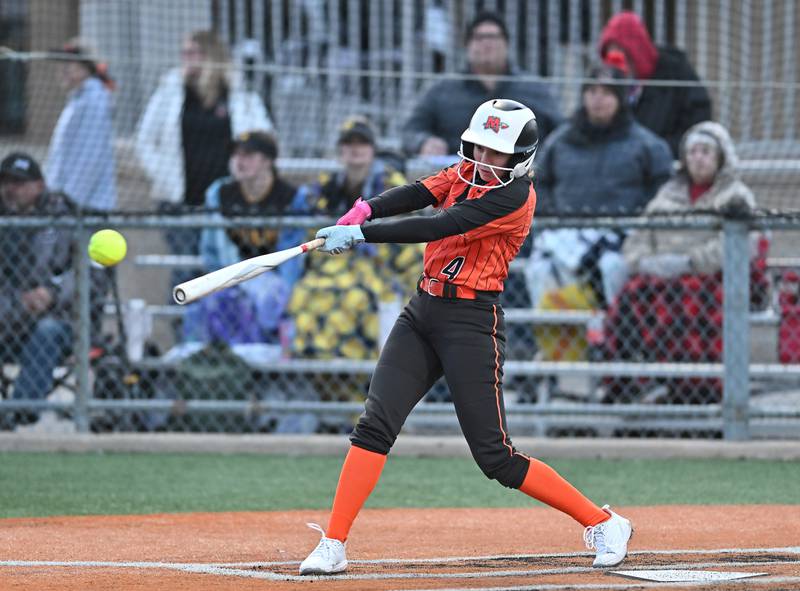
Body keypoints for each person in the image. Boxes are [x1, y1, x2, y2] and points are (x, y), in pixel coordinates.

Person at [298, 99, 633, 575]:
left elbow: (442, 223)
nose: (484, 159)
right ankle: (333, 542)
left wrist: (364, 235)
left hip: (471, 322)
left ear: (520, 159)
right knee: (374, 425)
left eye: (496, 153)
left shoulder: (514, 198)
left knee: (496, 457)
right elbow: (420, 191)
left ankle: (603, 522)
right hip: (423, 311)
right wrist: (364, 208)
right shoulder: (463, 173)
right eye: (479, 148)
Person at [600, 121, 767, 404]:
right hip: (660, 276)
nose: (698, 158)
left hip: (709, 278)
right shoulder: (667, 195)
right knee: (629, 299)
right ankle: (629, 384)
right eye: (692, 152)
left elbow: (740, 245)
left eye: (705, 152)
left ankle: (695, 388)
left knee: (686, 302)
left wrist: (689, 263)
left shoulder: (735, 196)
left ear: (720, 158)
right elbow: (637, 240)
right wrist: (650, 264)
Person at [526, 59, 672, 321]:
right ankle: (557, 351)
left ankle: (613, 343)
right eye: (592, 91)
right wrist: (551, 210)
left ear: (620, 99)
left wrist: (638, 215)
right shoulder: (560, 141)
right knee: (540, 269)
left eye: (606, 92)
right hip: (564, 234)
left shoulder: (646, 145)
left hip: (621, 236)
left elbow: (662, 187)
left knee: (611, 266)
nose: (598, 99)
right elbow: (539, 180)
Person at [135, 30, 273, 288]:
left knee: (226, 271)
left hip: (228, 204)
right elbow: (144, 140)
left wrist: (249, 177)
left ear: (212, 55)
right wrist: (162, 176)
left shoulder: (238, 95)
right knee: (185, 273)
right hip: (180, 203)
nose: (186, 58)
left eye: (193, 52)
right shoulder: (171, 91)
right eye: (184, 53)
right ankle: (184, 327)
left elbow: (265, 138)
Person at [288, 115, 422, 361]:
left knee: (355, 295)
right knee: (305, 292)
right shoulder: (325, 188)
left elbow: (407, 237)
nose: (355, 149)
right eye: (349, 143)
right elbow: (311, 229)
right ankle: (315, 363)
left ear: (372, 149)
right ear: (340, 149)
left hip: (378, 267)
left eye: (362, 143)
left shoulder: (391, 184)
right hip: (332, 264)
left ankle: (353, 367)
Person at [0, 153, 108, 428]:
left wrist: (51, 293)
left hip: (64, 322)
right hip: (10, 317)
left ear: (39, 185)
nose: (10, 189)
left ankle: (18, 411)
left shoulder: (68, 218)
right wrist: (18, 303)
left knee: (46, 330)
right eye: (6, 182)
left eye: (19, 183)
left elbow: (91, 272)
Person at [182, 131, 311, 346]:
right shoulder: (220, 193)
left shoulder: (290, 198)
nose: (239, 161)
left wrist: (281, 291)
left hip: (273, 278)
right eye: (236, 154)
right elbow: (210, 250)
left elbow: (292, 260)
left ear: (268, 161)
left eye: (248, 155)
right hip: (230, 275)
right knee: (207, 304)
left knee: (268, 300)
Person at [401, 11, 562, 157]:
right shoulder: (442, 89)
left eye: (493, 37)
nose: (486, 44)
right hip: (457, 179)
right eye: (479, 38)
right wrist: (424, 142)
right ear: (467, 45)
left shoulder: (533, 88)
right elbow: (410, 131)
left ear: (506, 44)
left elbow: (559, 134)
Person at [599, 11, 712, 157]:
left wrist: (660, 150)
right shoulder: (613, 83)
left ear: (635, 51)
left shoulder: (675, 73)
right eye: (611, 55)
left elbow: (698, 121)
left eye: (621, 53)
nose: (618, 65)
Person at [45, 40, 117, 212]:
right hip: (68, 204)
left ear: (85, 67)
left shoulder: (94, 100)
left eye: (69, 63)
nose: (62, 69)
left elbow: (91, 156)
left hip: (86, 209)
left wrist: (70, 201)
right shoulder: (78, 99)